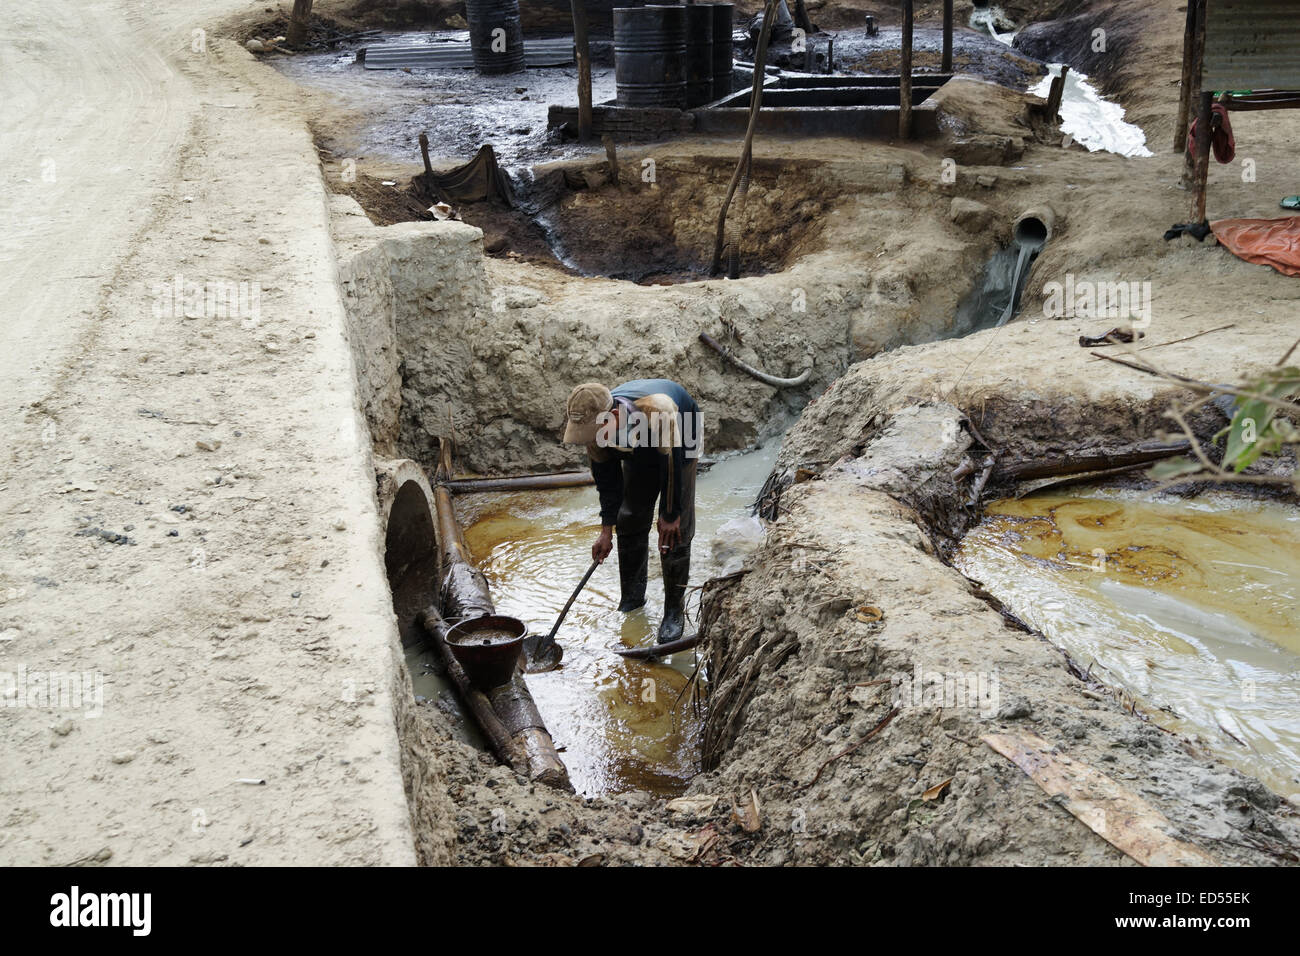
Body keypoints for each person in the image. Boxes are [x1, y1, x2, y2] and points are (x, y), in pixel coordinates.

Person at [561, 380, 702, 645]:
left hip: (681, 433)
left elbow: (672, 465)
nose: (591, 441)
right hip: (637, 443)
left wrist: (670, 515)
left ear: (613, 417)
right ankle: (632, 599)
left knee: (675, 530)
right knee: (629, 517)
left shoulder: (657, 411)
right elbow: (608, 482)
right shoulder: (598, 429)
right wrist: (606, 530)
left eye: (594, 434)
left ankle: (673, 612)